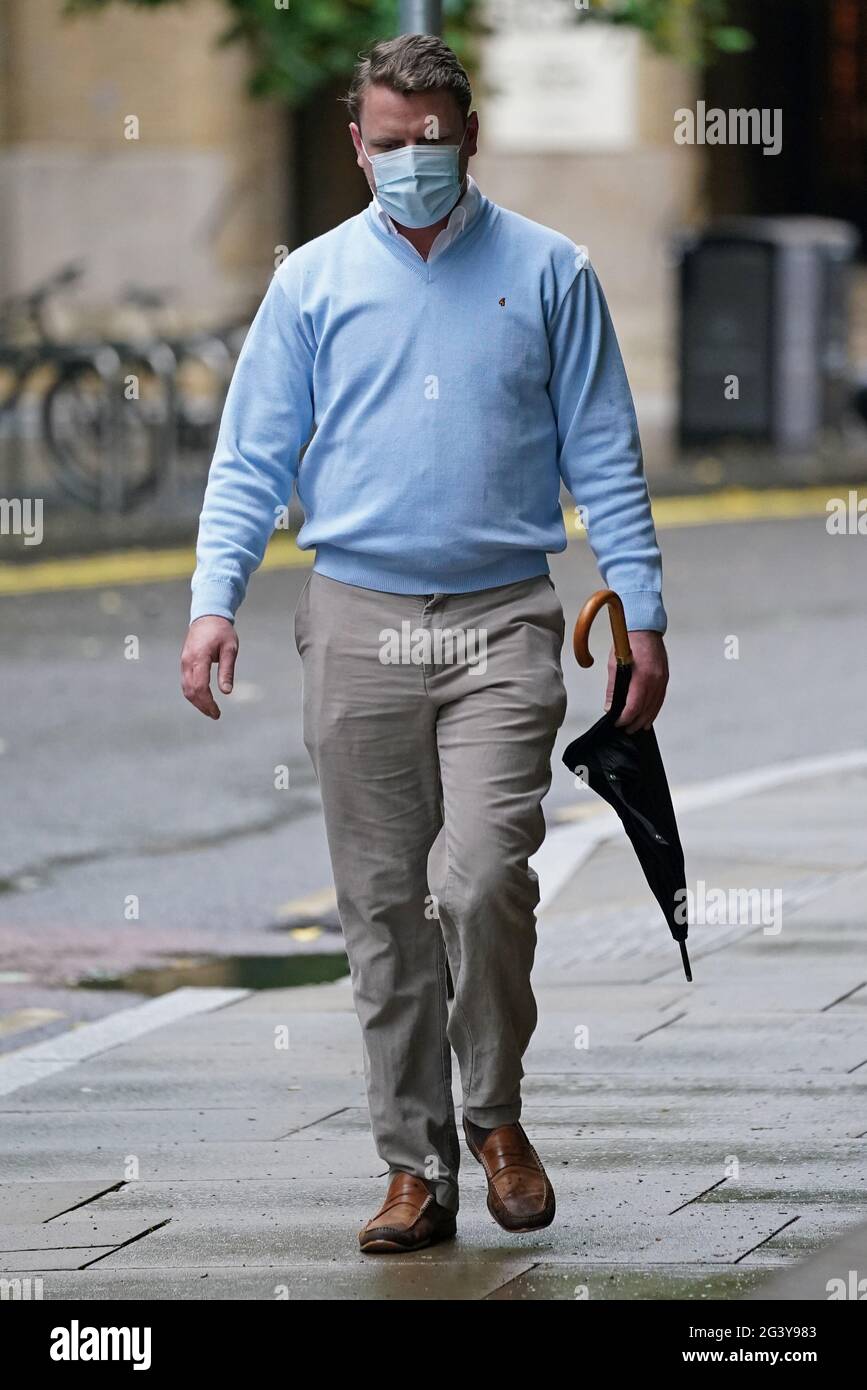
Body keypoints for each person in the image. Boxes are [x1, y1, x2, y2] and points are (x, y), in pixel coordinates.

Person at [181, 34, 669, 1254]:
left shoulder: (552, 271)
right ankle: (416, 1167)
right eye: (386, 142)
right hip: (355, 614)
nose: (409, 161)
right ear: (357, 144)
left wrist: (642, 607)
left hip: (505, 618)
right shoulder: (310, 284)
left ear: (469, 135)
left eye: (429, 140)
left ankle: (495, 1117)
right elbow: (251, 458)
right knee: (384, 907)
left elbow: (604, 447)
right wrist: (210, 601)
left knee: (484, 875)